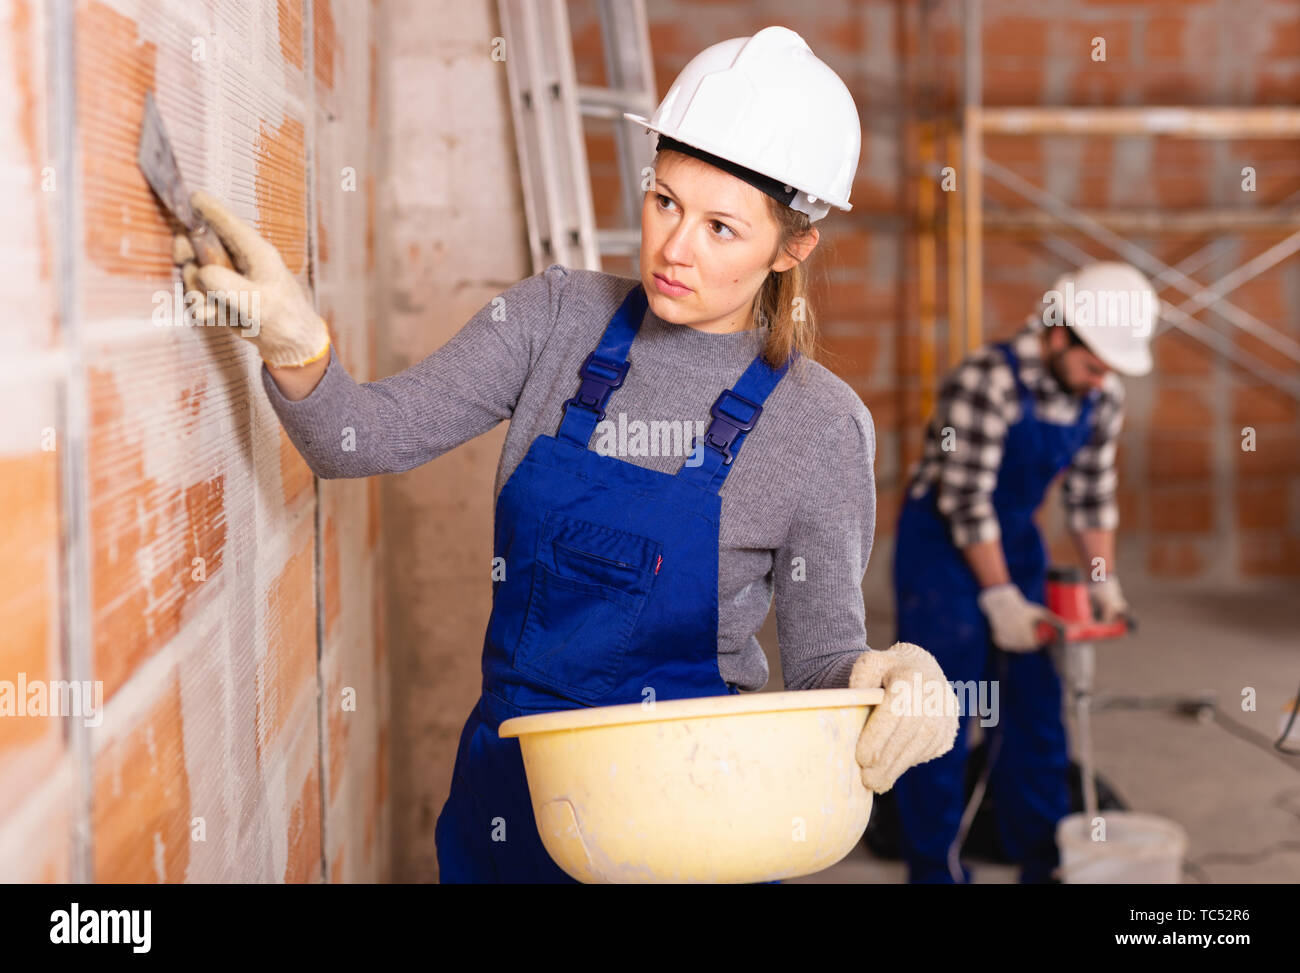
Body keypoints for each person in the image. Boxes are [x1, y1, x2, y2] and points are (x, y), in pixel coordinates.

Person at [172, 25, 959, 884]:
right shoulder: (554, 320)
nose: (673, 248)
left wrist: (887, 676)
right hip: (511, 805)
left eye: (721, 228)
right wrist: (295, 339)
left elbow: (818, 669)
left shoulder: (819, 426)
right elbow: (355, 440)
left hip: (692, 822)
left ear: (791, 247)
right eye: (665, 201)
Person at [890, 260, 1155, 884]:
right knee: (944, 715)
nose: (1101, 381)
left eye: (1110, 370)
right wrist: (1002, 600)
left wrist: (1102, 581)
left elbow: (1091, 497)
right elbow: (965, 500)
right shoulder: (987, 380)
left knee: (1034, 711)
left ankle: (1043, 864)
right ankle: (935, 870)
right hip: (942, 549)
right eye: (1094, 365)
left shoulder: (1101, 393)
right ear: (1059, 334)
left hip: (1015, 538)